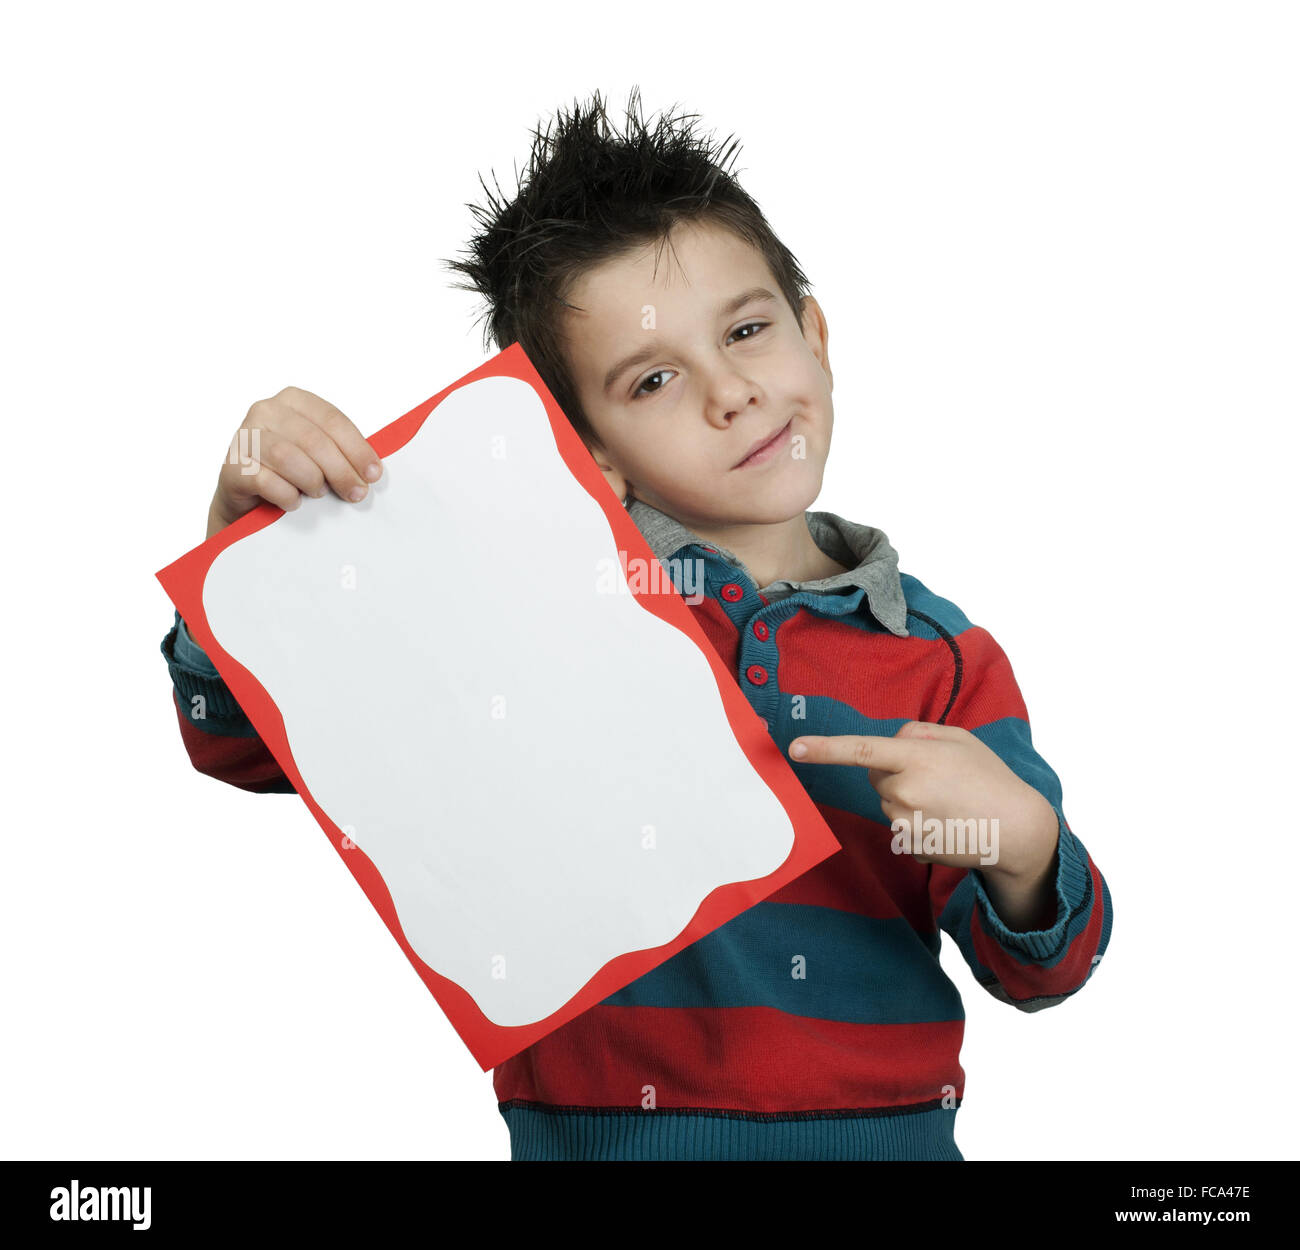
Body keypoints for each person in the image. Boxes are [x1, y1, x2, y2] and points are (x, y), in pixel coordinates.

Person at [160, 86, 1113, 1161]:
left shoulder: (938, 659)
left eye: (750, 330)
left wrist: (1023, 845)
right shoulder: (524, 605)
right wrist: (249, 554)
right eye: (653, 378)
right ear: (582, 447)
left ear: (817, 335)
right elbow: (237, 744)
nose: (732, 393)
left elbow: (1039, 966)